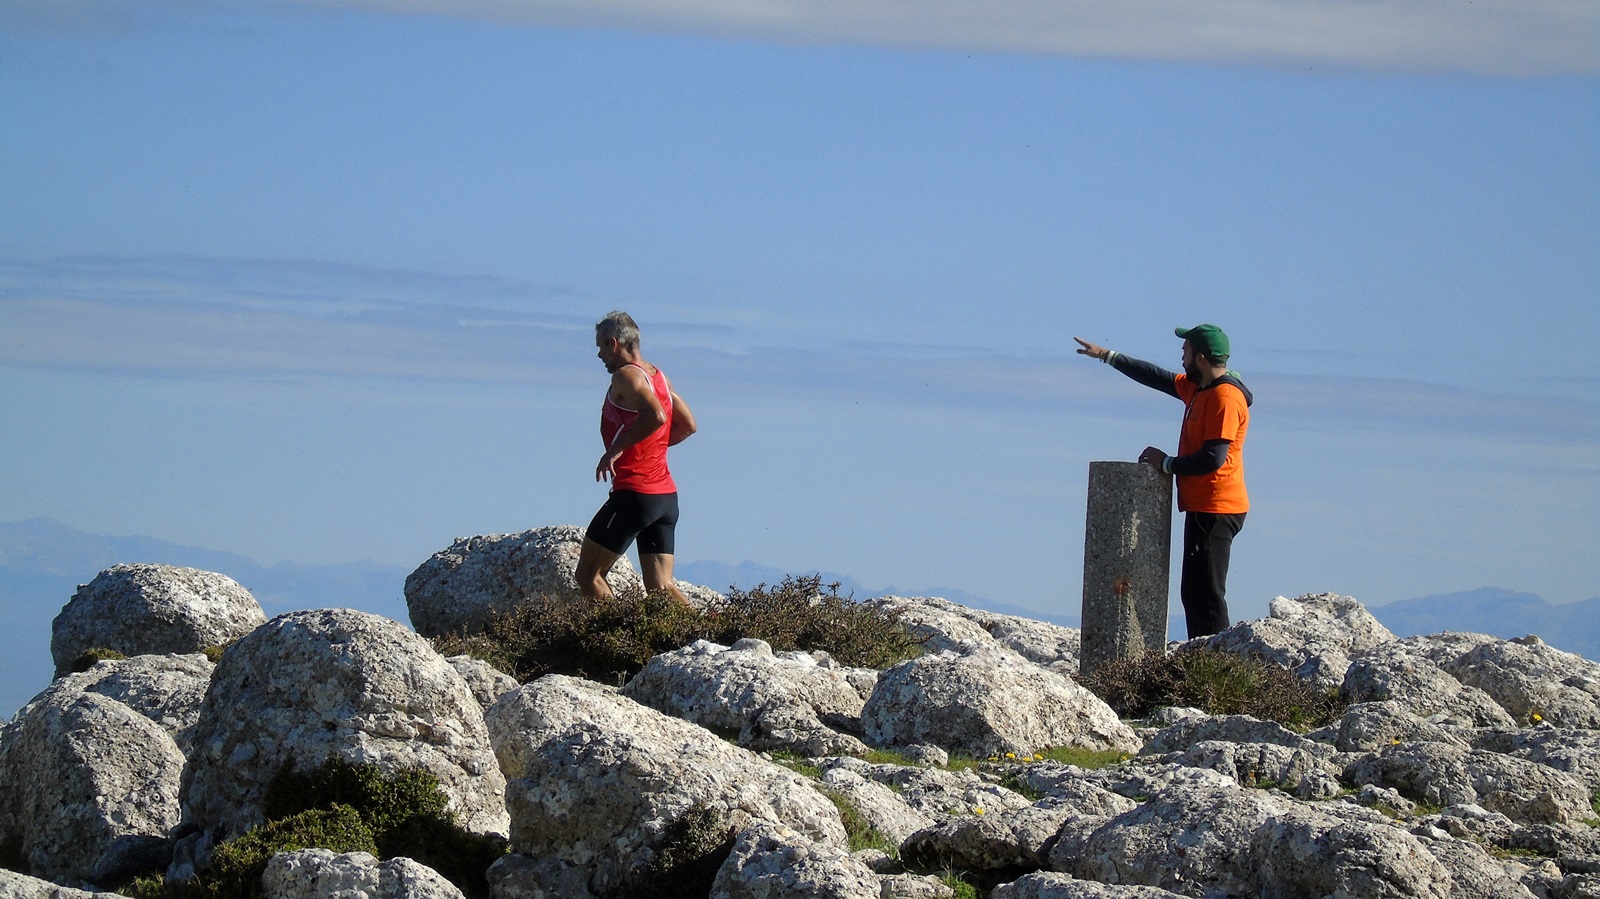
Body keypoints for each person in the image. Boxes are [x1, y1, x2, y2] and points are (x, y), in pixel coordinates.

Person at [1073, 325, 1252, 638]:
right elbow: (1157, 377)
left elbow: (1213, 457)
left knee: (1206, 594)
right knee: (1193, 592)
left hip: (1217, 506)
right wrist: (1106, 356)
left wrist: (1166, 464)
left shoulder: (1224, 397)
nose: (1181, 357)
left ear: (1200, 357)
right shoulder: (1199, 388)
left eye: (1185, 351)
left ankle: (1220, 658)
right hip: (1203, 505)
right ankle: (1204, 655)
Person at [575, 311, 698, 605]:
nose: (599, 355)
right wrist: (648, 447)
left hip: (634, 495)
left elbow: (655, 416)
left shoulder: (625, 376)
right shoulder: (659, 377)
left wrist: (616, 449)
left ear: (613, 343)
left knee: (589, 575)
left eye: (601, 347)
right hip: (664, 498)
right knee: (661, 586)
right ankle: (704, 630)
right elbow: (687, 426)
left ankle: (617, 630)